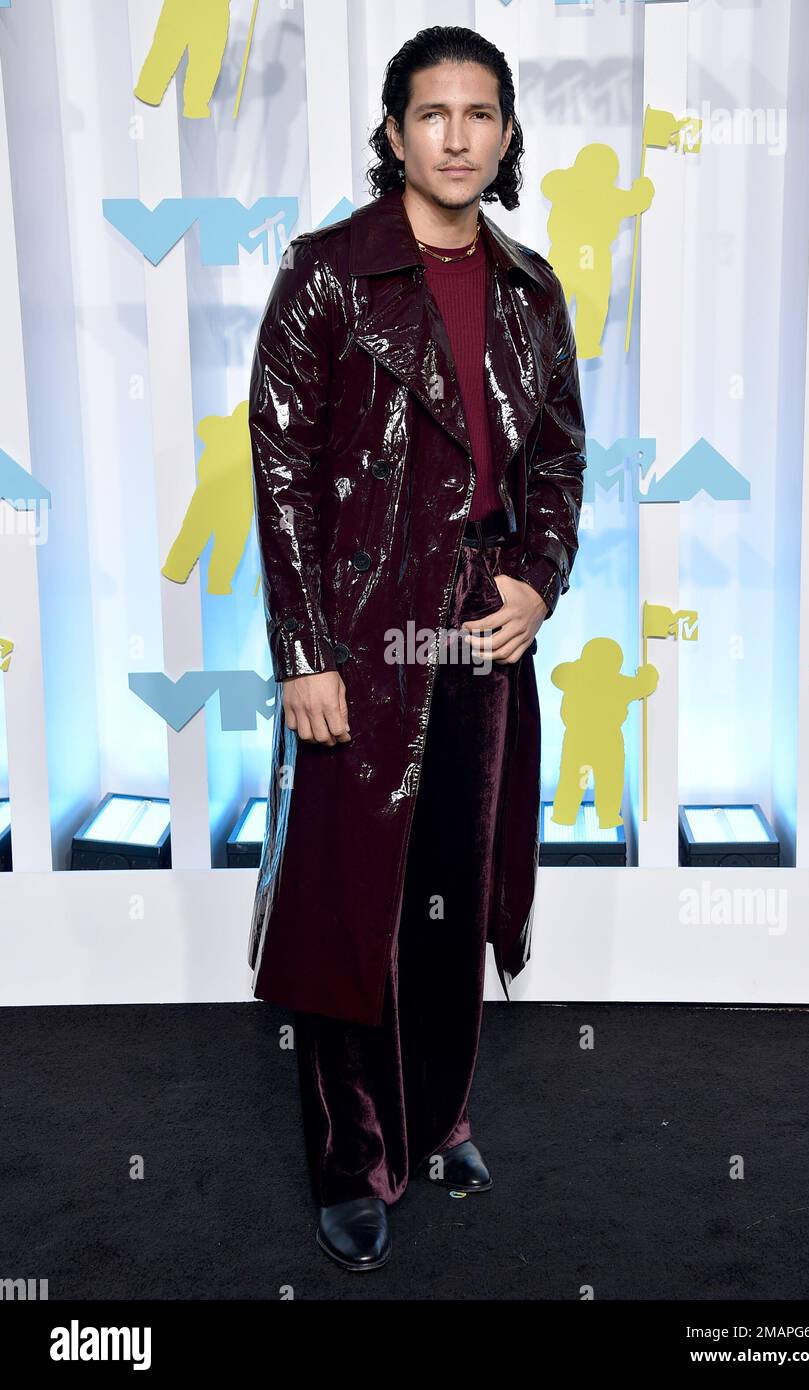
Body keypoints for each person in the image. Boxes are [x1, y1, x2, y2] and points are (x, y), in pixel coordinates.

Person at [248, 24, 586, 1271]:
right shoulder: (328, 274)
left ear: (504, 134)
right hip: (360, 639)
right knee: (354, 906)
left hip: (479, 640)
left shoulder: (532, 288)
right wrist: (303, 650)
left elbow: (555, 459)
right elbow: (280, 471)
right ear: (392, 130)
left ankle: (435, 1113)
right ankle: (352, 1159)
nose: (455, 134)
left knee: (452, 888)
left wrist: (537, 583)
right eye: (430, 112)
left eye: (479, 113)